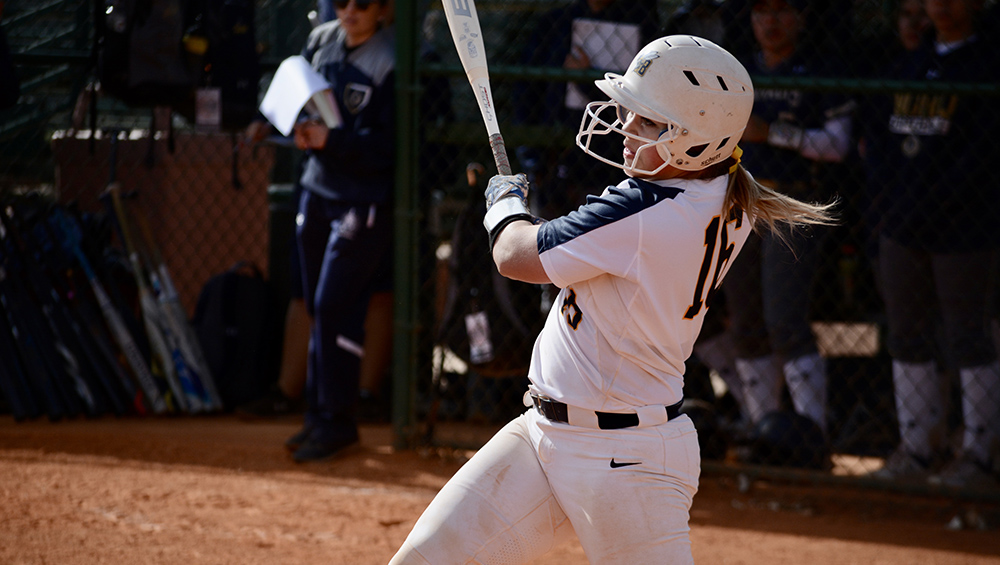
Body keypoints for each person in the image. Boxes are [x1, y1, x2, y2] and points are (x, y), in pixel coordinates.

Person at [389, 35, 835, 564]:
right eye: (631, 113)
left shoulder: (647, 211)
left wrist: (504, 202)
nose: (626, 129)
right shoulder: (728, 185)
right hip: (544, 436)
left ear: (698, 142)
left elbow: (515, 256)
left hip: (626, 462)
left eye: (649, 122)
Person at [864, 0, 999, 489]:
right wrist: (891, 204)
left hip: (965, 227)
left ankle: (980, 455)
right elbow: (876, 142)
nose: (941, 5)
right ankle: (919, 449)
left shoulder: (986, 64)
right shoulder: (910, 64)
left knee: (968, 335)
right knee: (906, 333)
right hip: (902, 224)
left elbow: (982, 154)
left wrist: (928, 201)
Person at [253, 0, 396, 462]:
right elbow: (299, 100)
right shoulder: (320, 41)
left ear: (384, 9)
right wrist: (298, 129)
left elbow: (392, 147)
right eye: (342, 2)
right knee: (317, 305)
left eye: (363, 3)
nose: (349, 10)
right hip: (316, 189)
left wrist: (332, 140)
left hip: (361, 200)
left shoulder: (394, 58)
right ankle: (318, 418)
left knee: (336, 306)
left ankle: (339, 421)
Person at [721, 0, 853, 443]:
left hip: (793, 202)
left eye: (782, 11)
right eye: (760, 12)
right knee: (745, 323)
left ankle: (811, 437)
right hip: (739, 203)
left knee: (785, 322)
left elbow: (838, 145)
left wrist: (773, 133)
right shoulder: (735, 71)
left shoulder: (820, 70)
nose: (770, 23)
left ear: (802, 16)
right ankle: (765, 433)